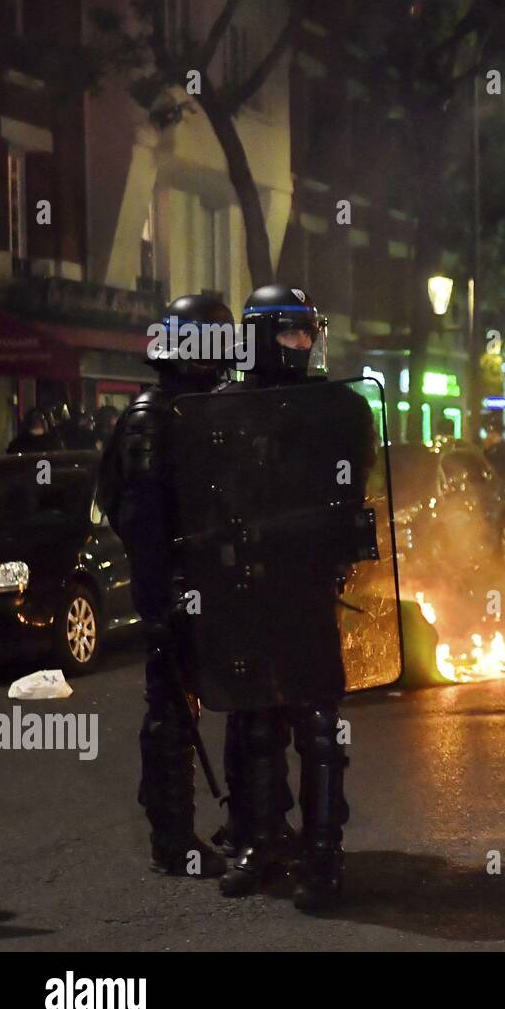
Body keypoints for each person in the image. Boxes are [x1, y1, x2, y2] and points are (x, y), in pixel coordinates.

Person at [208, 284, 374, 910]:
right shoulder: (222, 409)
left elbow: (347, 497)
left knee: (320, 728)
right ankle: (258, 840)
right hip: (247, 586)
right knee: (254, 720)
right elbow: (206, 497)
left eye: (308, 332)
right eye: (289, 332)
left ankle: (323, 854)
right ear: (258, 336)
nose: (302, 344)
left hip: (303, 584)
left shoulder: (338, 408)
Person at [96, 294, 235, 879]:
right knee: (172, 711)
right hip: (177, 587)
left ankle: (249, 823)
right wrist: (157, 607)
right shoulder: (155, 419)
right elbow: (142, 521)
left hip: (213, 582)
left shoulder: (200, 412)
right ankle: (173, 838)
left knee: (230, 701)